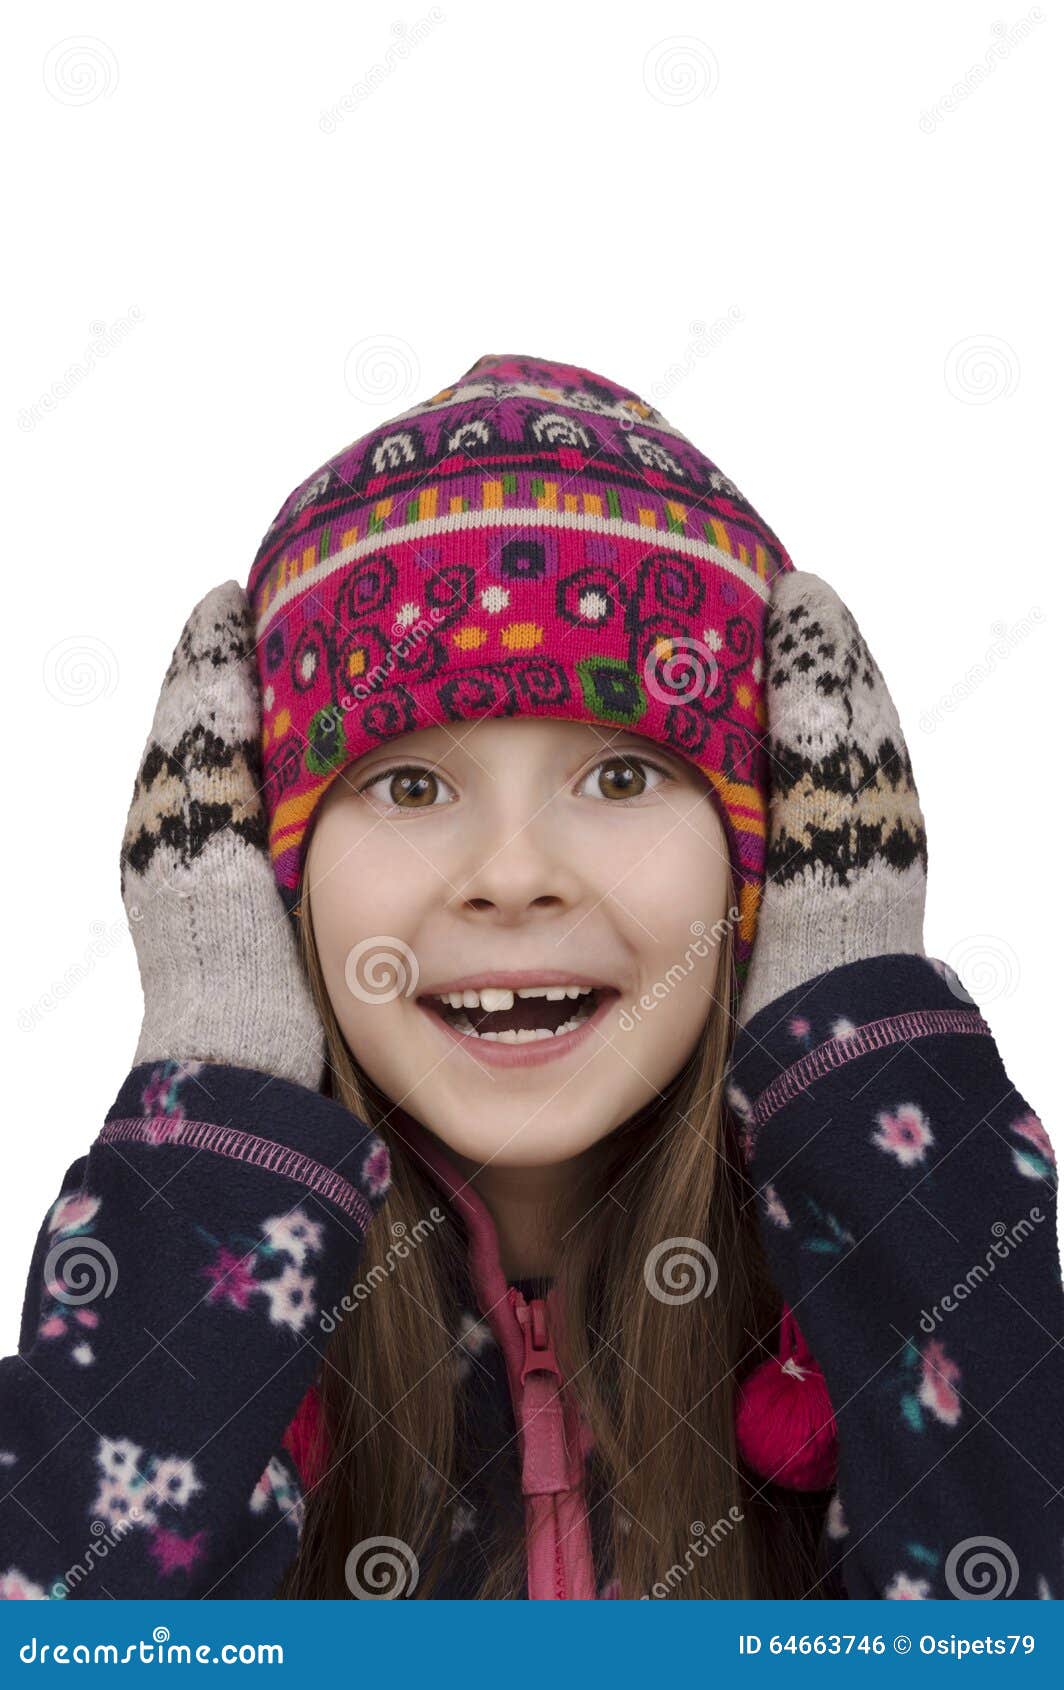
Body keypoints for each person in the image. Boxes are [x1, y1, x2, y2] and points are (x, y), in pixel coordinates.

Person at [1, 354, 1060, 1602]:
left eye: (619, 777)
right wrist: (216, 1094)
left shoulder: (894, 1335)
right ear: (263, 881)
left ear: (764, 860)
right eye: (408, 784)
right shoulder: (210, 1357)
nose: (512, 876)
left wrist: (864, 1070)